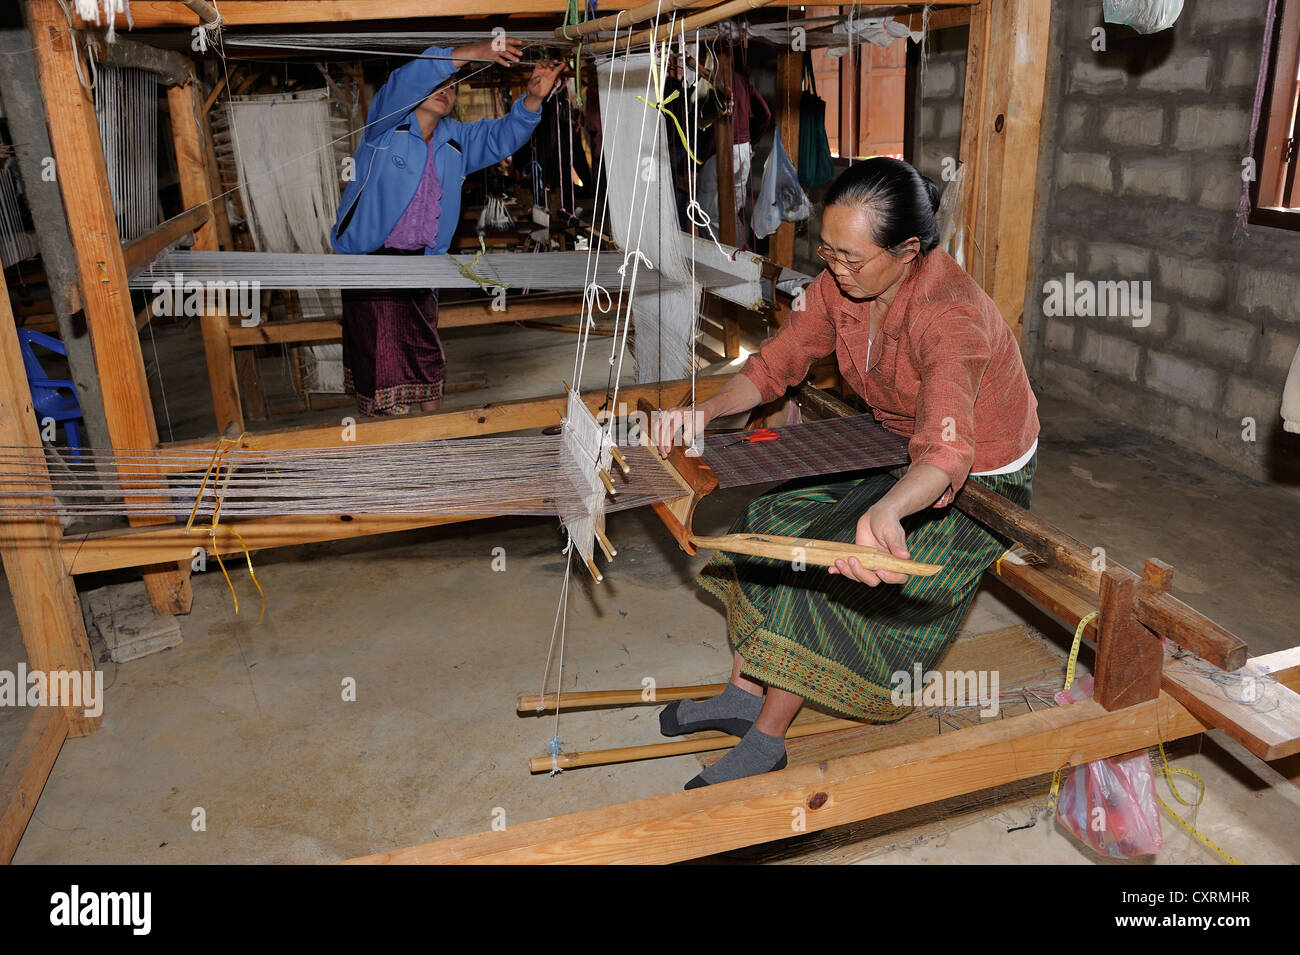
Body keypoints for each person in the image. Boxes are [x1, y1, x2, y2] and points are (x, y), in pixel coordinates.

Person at [650, 157, 1040, 789]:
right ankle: (742, 694)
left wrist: (886, 511)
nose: (834, 269)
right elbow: (779, 360)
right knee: (771, 520)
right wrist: (706, 411)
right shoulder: (842, 284)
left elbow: (946, 449)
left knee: (823, 567)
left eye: (852, 259)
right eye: (828, 251)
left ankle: (767, 738)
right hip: (889, 439)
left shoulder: (949, 316)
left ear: (909, 251)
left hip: (977, 477)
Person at [330, 39, 565, 415]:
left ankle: (434, 452)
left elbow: (500, 136)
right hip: (370, 266)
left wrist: (533, 100)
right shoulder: (385, 125)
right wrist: (473, 52)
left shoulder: (456, 139)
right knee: (385, 377)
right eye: (439, 83)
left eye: (452, 87)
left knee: (427, 373)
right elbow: (409, 79)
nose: (446, 90)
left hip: (423, 267)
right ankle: (394, 459)